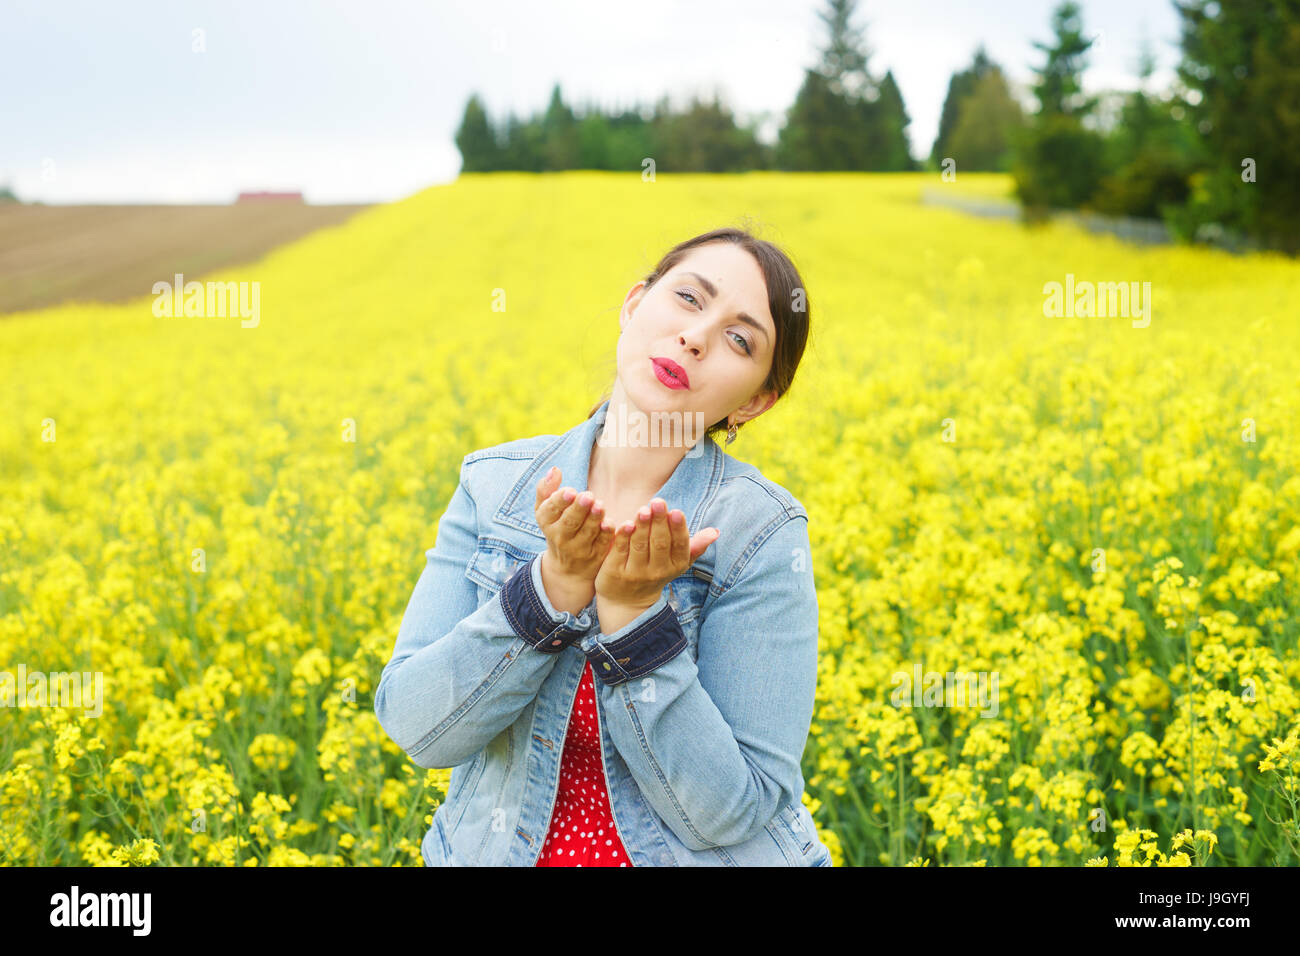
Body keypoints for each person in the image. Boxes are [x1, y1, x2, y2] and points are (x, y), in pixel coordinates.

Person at [374, 225, 831, 866]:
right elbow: (417, 727)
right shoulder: (493, 486)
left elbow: (733, 812)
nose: (695, 339)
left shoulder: (760, 533)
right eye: (689, 300)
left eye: (738, 339)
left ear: (755, 402)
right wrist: (548, 592)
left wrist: (637, 620)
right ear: (633, 306)